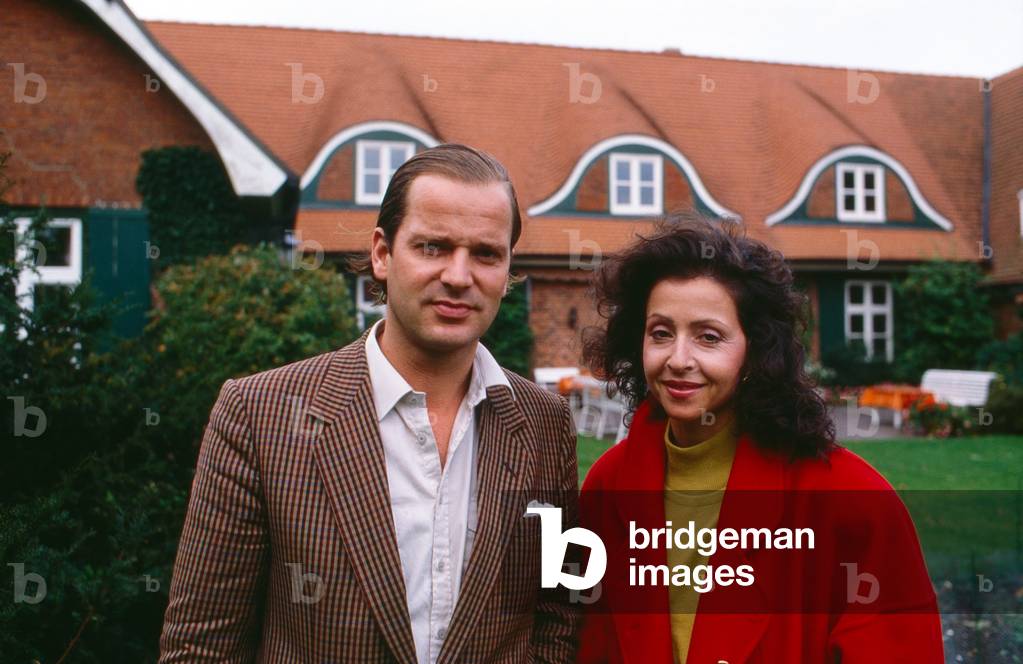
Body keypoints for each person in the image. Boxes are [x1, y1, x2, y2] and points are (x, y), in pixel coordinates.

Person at [159, 144, 581, 663]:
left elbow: (559, 612)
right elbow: (202, 646)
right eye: (432, 247)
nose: (458, 275)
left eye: (486, 254)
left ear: (508, 268)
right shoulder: (259, 413)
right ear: (382, 253)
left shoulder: (544, 424)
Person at [576, 212, 943, 663]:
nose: (679, 358)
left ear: (757, 351)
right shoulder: (606, 486)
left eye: (709, 337)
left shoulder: (853, 500)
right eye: (661, 333)